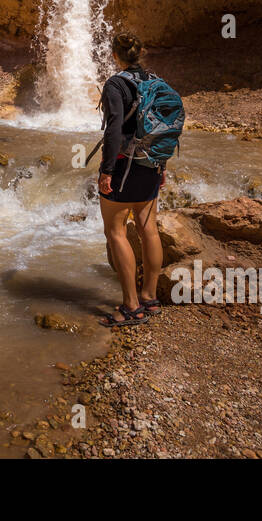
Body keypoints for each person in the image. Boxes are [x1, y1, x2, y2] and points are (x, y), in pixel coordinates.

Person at [96, 33, 165, 326]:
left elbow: (113, 130)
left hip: (124, 167)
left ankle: (130, 307)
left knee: (116, 232)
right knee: (149, 230)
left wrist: (107, 170)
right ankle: (150, 298)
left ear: (115, 55)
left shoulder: (116, 84)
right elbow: (165, 126)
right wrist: (162, 166)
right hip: (151, 164)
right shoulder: (156, 82)